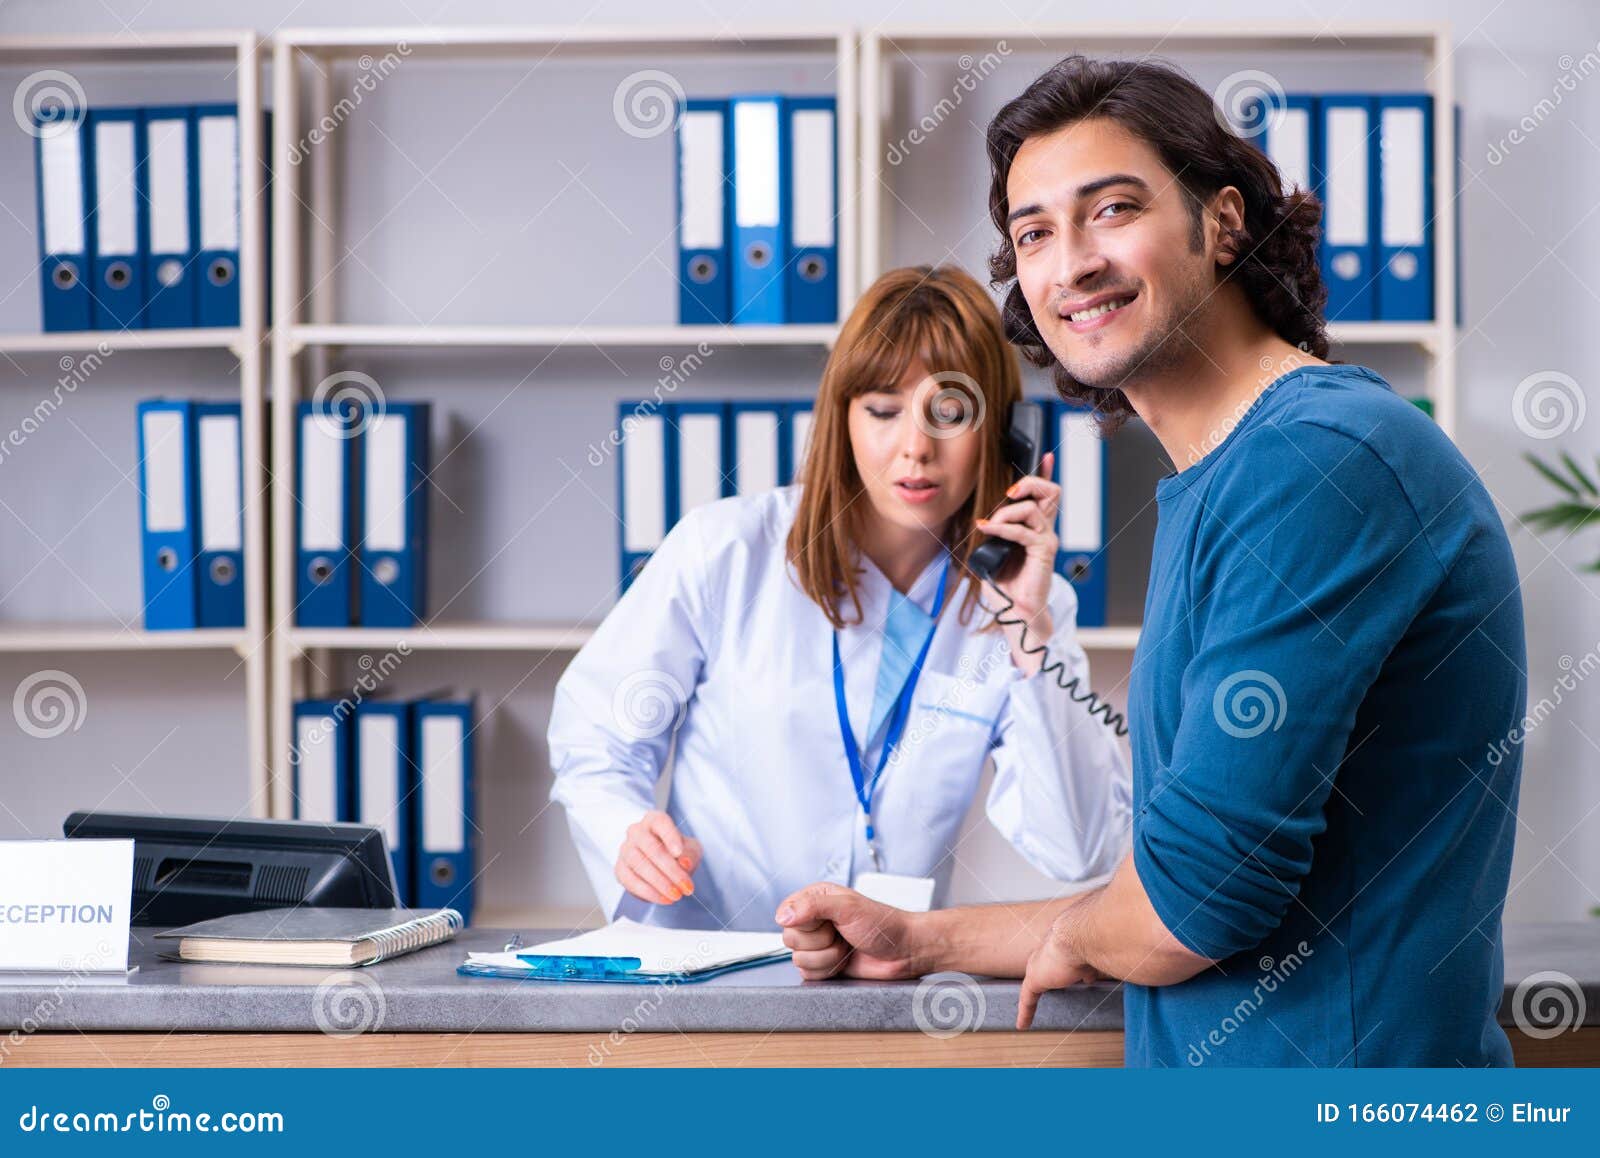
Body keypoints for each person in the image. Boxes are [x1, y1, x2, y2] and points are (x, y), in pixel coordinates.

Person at [777, 56, 1526, 1068]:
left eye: (1112, 209)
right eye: (1033, 233)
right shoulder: (1228, 476)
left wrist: (1081, 933)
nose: (1071, 263)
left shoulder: (1315, 461)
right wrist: (919, 939)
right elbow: (1170, 875)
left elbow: (1192, 904)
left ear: (1222, 222)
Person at [548, 264, 1131, 930]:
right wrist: (626, 829)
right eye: (883, 412)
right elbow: (594, 738)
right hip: (710, 963)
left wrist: (1028, 631)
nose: (915, 448)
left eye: (950, 414)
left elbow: (1081, 849)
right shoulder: (726, 550)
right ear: (842, 420)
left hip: (880, 975)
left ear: (1006, 432)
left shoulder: (1024, 606)